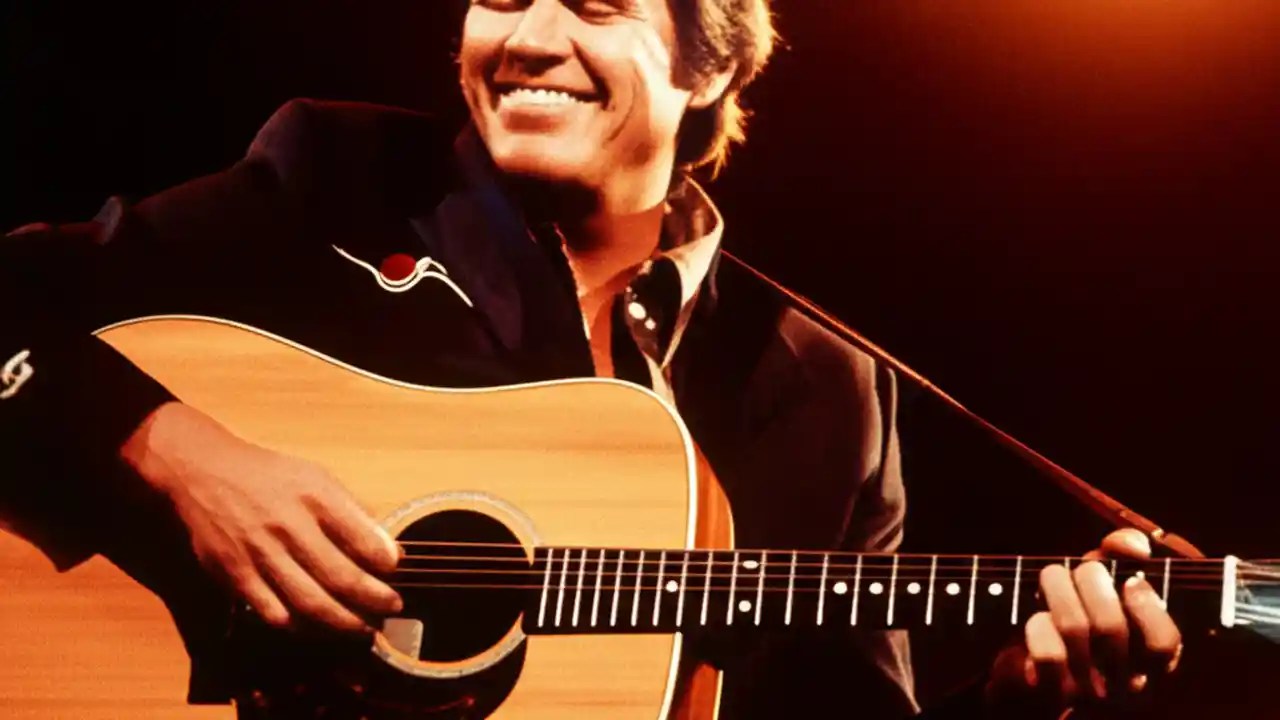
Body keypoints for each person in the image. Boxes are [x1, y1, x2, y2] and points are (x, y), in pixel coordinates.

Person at [0, 0, 1182, 717]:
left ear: (710, 62)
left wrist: (1025, 702)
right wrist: (177, 452)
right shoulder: (333, 179)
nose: (528, 41)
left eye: (596, 5)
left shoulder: (826, 385)